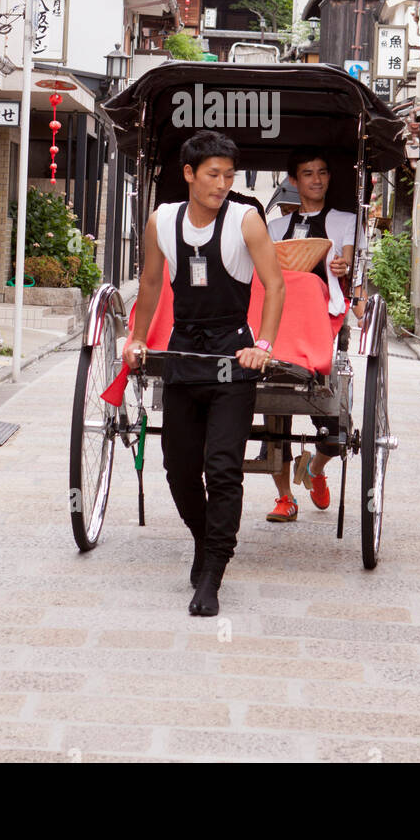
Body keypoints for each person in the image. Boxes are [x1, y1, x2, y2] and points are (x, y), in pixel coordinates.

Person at [123, 131, 285, 617]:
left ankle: (213, 571)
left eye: (229, 176)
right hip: (184, 353)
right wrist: (137, 337)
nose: (222, 184)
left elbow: (274, 286)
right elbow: (151, 284)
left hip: (234, 358)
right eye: (212, 174)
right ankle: (203, 537)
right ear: (189, 174)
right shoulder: (162, 221)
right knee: (177, 467)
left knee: (222, 468)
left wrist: (263, 345)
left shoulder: (246, 220)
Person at [263, 147, 361, 523]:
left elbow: (350, 265)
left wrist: (342, 265)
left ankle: (316, 468)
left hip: (324, 316)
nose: (316, 179)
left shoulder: (342, 221)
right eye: (307, 173)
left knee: (334, 425)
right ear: (293, 180)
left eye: (322, 172)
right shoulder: (274, 229)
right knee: (275, 408)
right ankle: (285, 496)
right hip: (282, 318)